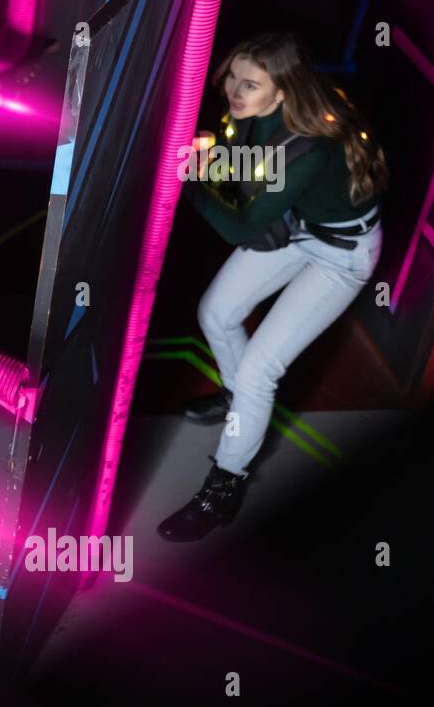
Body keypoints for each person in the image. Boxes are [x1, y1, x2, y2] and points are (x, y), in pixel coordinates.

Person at [160, 33, 387, 542]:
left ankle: (224, 486)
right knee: (216, 313)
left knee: (263, 368)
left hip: (342, 257)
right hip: (298, 226)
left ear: (282, 92)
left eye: (251, 84)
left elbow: (241, 225)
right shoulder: (253, 114)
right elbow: (245, 170)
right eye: (233, 78)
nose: (235, 92)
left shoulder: (309, 145)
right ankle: (239, 397)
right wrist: (207, 159)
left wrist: (185, 178)